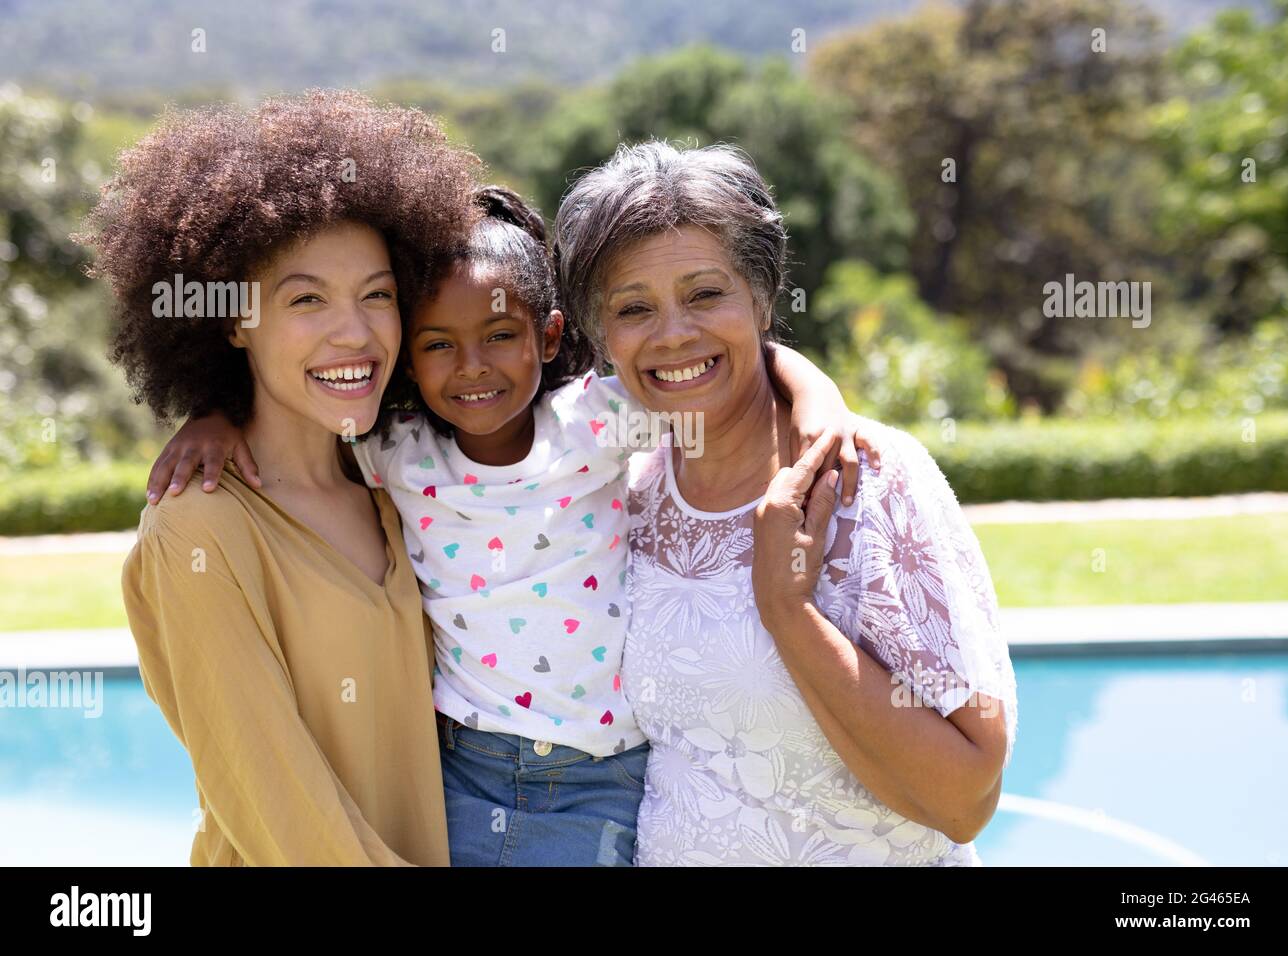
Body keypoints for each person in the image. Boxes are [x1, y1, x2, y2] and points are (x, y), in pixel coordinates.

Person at [142, 183, 878, 865]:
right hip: (466, 773)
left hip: (594, 778)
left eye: (375, 296)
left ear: (549, 337)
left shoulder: (582, 427)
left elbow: (728, 365)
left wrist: (821, 407)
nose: (470, 366)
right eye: (437, 343)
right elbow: (259, 779)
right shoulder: (390, 460)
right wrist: (213, 408)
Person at [553, 140, 1020, 865]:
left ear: (762, 297)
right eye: (633, 308)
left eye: (706, 294)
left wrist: (787, 612)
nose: (674, 333)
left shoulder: (866, 477)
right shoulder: (624, 482)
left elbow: (965, 801)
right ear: (600, 334)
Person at [78, 90, 481, 865]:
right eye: (306, 300)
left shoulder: (398, 489)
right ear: (233, 321)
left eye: (378, 295)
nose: (356, 333)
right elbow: (280, 810)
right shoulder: (200, 529)